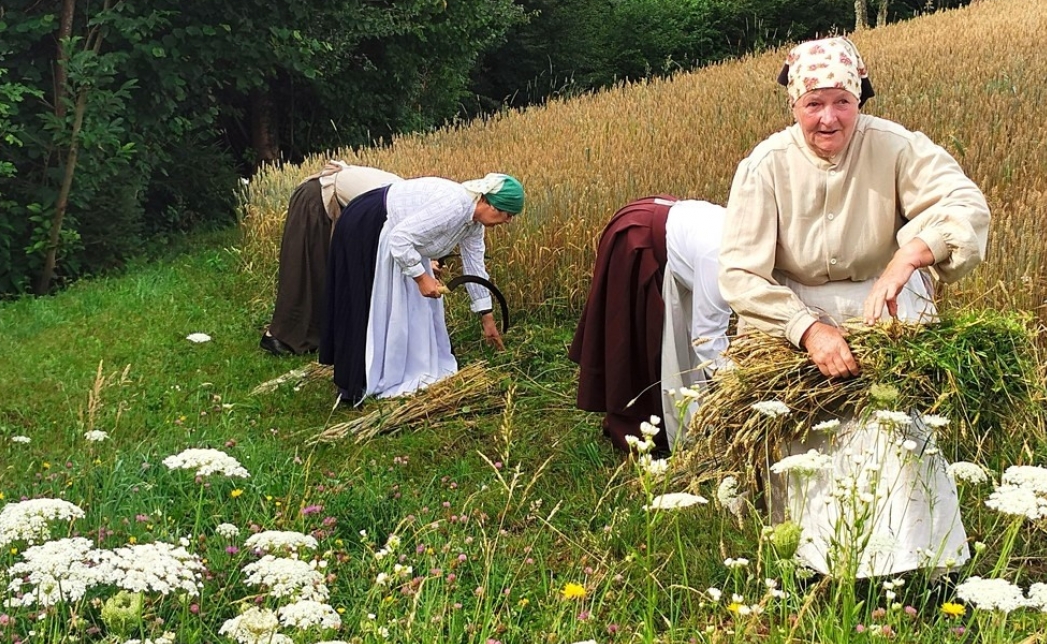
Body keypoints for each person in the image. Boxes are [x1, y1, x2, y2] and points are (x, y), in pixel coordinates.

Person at [718, 36, 991, 579]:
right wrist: (808, 329)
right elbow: (740, 273)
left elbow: (964, 204)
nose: (828, 118)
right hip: (790, 315)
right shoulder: (765, 165)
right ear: (793, 105)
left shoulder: (895, 146)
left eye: (841, 101)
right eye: (813, 104)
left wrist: (909, 257)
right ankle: (815, 568)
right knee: (809, 441)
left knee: (893, 435)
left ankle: (919, 571)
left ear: (860, 97)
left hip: (881, 306)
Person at [319, 173, 523, 403]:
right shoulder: (455, 206)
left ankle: (399, 366)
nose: (508, 221)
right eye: (508, 215)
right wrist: (421, 277)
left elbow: (475, 268)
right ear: (489, 204)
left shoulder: (474, 225)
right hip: (369, 224)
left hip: (401, 240)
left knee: (408, 308)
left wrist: (487, 318)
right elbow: (400, 239)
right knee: (368, 302)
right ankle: (359, 378)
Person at [570, 198, 732, 453]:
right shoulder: (720, 257)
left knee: (671, 339)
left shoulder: (754, 247)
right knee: (636, 338)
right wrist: (739, 383)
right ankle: (635, 426)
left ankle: (674, 414)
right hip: (637, 240)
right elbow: (707, 337)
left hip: (668, 227)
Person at [262, 161, 402, 356]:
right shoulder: (401, 206)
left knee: (331, 273)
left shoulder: (405, 198)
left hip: (340, 205)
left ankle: (327, 332)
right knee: (306, 272)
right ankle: (279, 337)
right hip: (314, 202)